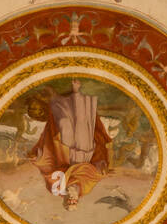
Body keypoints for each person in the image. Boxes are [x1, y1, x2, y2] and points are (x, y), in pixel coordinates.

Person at [28, 79, 113, 207]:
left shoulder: (56, 188)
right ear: (77, 199)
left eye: (68, 200)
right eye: (73, 200)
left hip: (65, 153)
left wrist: (39, 159)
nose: (71, 197)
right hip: (84, 153)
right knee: (81, 123)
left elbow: (48, 172)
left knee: (64, 123)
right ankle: (75, 93)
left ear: (64, 200)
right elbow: (93, 174)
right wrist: (103, 170)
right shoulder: (86, 189)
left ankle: (55, 97)